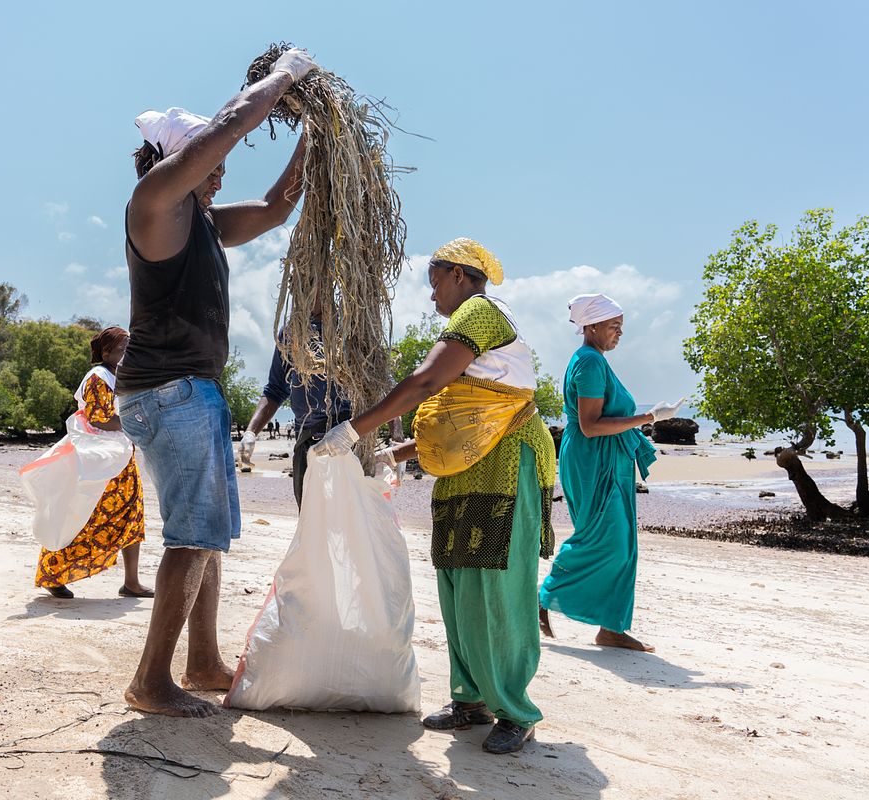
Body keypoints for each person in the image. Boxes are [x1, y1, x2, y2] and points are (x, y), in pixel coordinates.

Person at [113, 48, 319, 718]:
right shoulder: (155, 202)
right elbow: (229, 127)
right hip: (170, 390)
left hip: (189, 391)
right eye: (207, 158)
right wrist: (283, 75)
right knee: (194, 534)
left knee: (208, 531)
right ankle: (152, 680)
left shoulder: (200, 219)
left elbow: (274, 207)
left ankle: (202, 661)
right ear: (175, 160)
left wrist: (315, 136)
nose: (222, 166)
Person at [314, 238, 555, 755]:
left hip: (506, 465)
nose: (431, 297)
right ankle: (470, 700)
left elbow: (425, 383)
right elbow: (459, 421)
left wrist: (355, 431)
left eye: (434, 283)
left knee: (499, 588)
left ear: (459, 275)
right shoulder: (470, 320)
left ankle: (515, 710)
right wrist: (396, 455)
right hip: (469, 467)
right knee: (459, 583)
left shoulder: (481, 312)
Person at [537, 293, 683, 652]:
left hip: (609, 460)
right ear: (592, 327)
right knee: (602, 540)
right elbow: (589, 425)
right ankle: (541, 598)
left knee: (624, 545)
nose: (619, 333)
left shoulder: (595, 360)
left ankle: (612, 628)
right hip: (592, 459)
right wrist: (649, 418)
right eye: (614, 327)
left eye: (621, 327)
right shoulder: (588, 362)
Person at [35, 326, 153, 600]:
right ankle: (52, 573)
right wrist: (139, 423)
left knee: (131, 515)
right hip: (100, 461)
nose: (127, 355)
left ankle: (131, 583)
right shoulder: (98, 378)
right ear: (106, 352)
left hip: (120, 458)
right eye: (123, 350)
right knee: (83, 515)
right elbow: (99, 418)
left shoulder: (118, 377)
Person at [242, 300, 354, 508]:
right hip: (307, 442)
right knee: (311, 524)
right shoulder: (291, 333)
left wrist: (396, 438)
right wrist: (250, 433)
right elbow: (275, 389)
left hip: (349, 440)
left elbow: (378, 382)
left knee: (351, 523)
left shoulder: (352, 326)